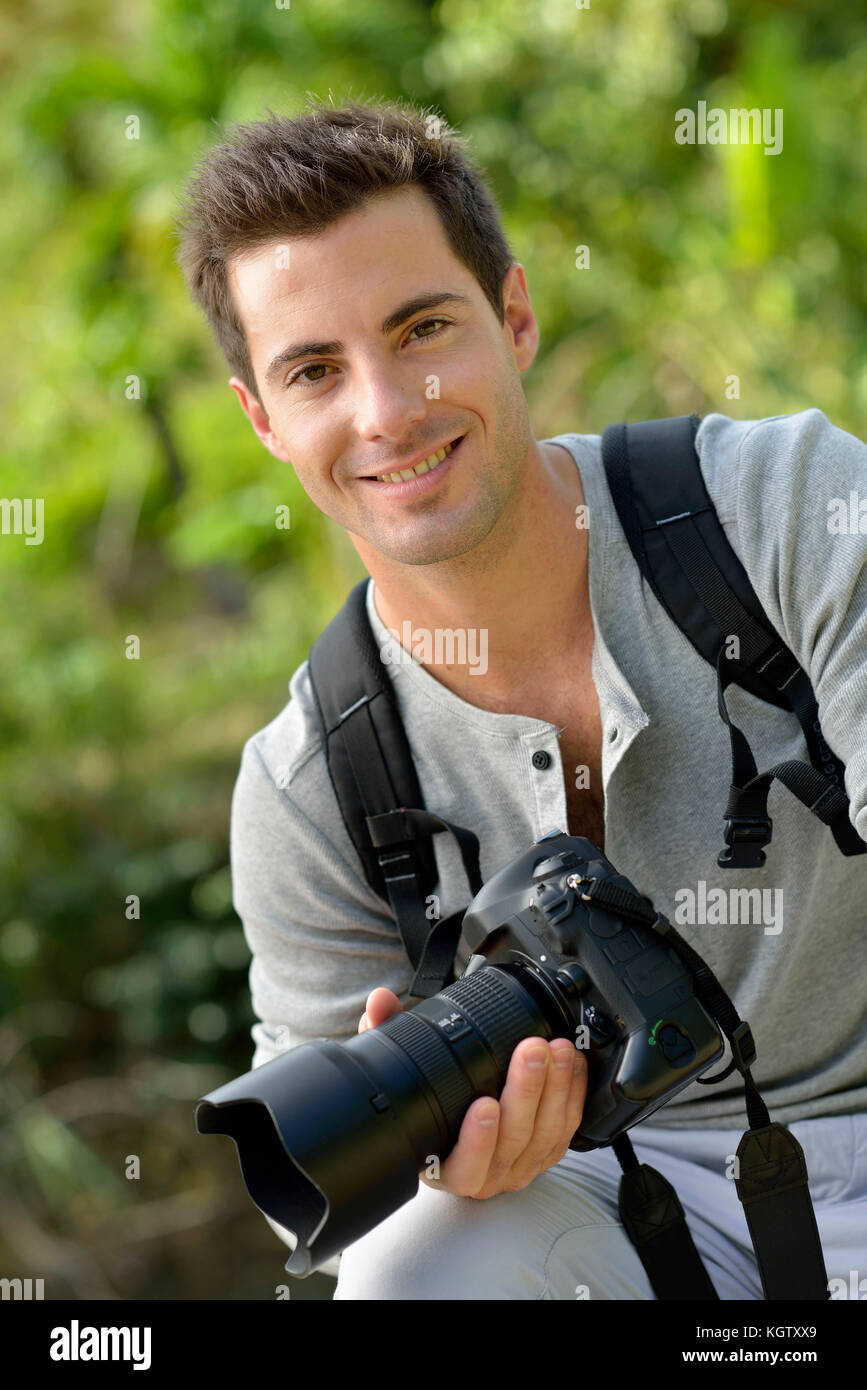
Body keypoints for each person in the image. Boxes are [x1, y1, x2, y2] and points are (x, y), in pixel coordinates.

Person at [175, 97, 867, 1299]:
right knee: (412, 1263)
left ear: (518, 314)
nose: (387, 411)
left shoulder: (782, 509)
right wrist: (447, 1158)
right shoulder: (310, 785)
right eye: (314, 370)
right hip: (607, 1209)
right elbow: (327, 1171)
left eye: (423, 327)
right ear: (262, 420)